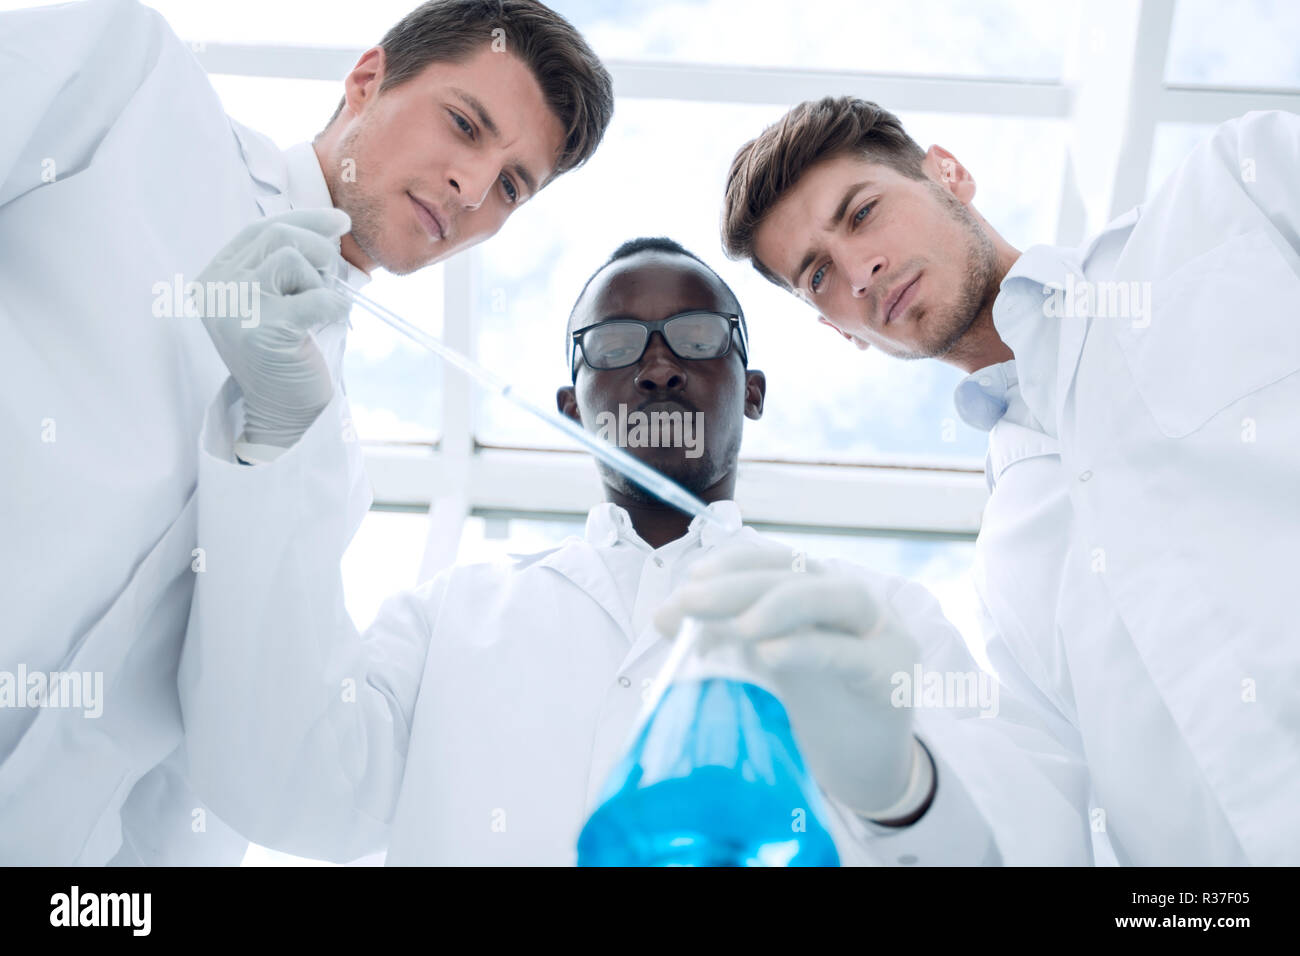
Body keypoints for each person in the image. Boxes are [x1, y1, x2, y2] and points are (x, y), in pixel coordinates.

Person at [178, 238, 1089, 865]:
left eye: (698, 337)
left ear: (753, 389)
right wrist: (275, 431)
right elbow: (278, 776)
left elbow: (1039, 844)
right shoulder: (450, 614)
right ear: (573, 406)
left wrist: (908, 786)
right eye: (615, 344)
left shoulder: (881, 620)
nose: (658, 364)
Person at [0, 0, 612, 865]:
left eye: (512, 186)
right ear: (368, 81)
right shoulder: (130, 82)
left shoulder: (329, 460)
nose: (473, 189)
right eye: (466, 125)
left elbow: (236, 760)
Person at [719, 97, 1300, 864]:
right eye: (819, 273)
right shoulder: (1003, 580)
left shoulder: (1233, 199)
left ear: (948, 174)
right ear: (837, 331)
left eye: (862, 213)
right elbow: (1052, 839)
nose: (860, 272)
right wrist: (900, 788)